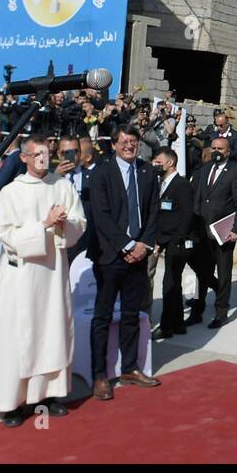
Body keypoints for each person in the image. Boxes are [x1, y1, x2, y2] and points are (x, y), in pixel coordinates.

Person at [0, 135, 86, 426]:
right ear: (23, 157)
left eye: (46, 154)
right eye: (36, 154)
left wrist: (64, 224)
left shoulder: (61, 186)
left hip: (52, 272)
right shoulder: (11, 192)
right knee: (18, 335)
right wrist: (44, 226)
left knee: (52, 332)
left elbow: (79, 222)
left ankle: (47, 395)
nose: (43, 159)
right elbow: (6, 235)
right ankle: (11, 401)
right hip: (22, 275)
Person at [86, 125, 161, 401]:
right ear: (115, 145)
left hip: (139, 257)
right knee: (102, 318)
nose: (129, 145)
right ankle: (99, 376)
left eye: (133, 141)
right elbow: (101, 216)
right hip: (110, 256)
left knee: (132, 315)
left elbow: (153, 211)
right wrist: (127, 245)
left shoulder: (148, 172)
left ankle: (129, 368)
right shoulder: (101, 173)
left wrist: (144, 245)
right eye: (124, 141)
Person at [191, 135, 237, 328]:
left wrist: (236, 229)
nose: (216, 151)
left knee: (223, 274)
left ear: (228, 152)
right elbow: (198, 197)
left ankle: (221, 312)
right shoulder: (204, 169)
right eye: (214, 148)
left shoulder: (236, 172)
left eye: (220, 149)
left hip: (223, 232)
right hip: (201, 231)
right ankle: (196, 311)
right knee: (200, 273)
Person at [149, 147, 205, 339]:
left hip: (178, 242)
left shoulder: (180, 185)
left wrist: (178, 239)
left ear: (170, 162)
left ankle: (166, 326)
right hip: (166, 238)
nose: (155, 165)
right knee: (174, 284)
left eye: (158, 161)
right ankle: (178, 323)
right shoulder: (161, 184)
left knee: (170, 284)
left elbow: (187, 214)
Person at [64, 137, 99, 261]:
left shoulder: (93, 177)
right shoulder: (56, 174)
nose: (72, 156)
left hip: (83, 239)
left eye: (78, 152)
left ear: (87, 158)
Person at [0, 137, 25, 208]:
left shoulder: (11, 159)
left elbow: (1, 181)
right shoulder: (21, 156)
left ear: (10, 144)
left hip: (6, 199)